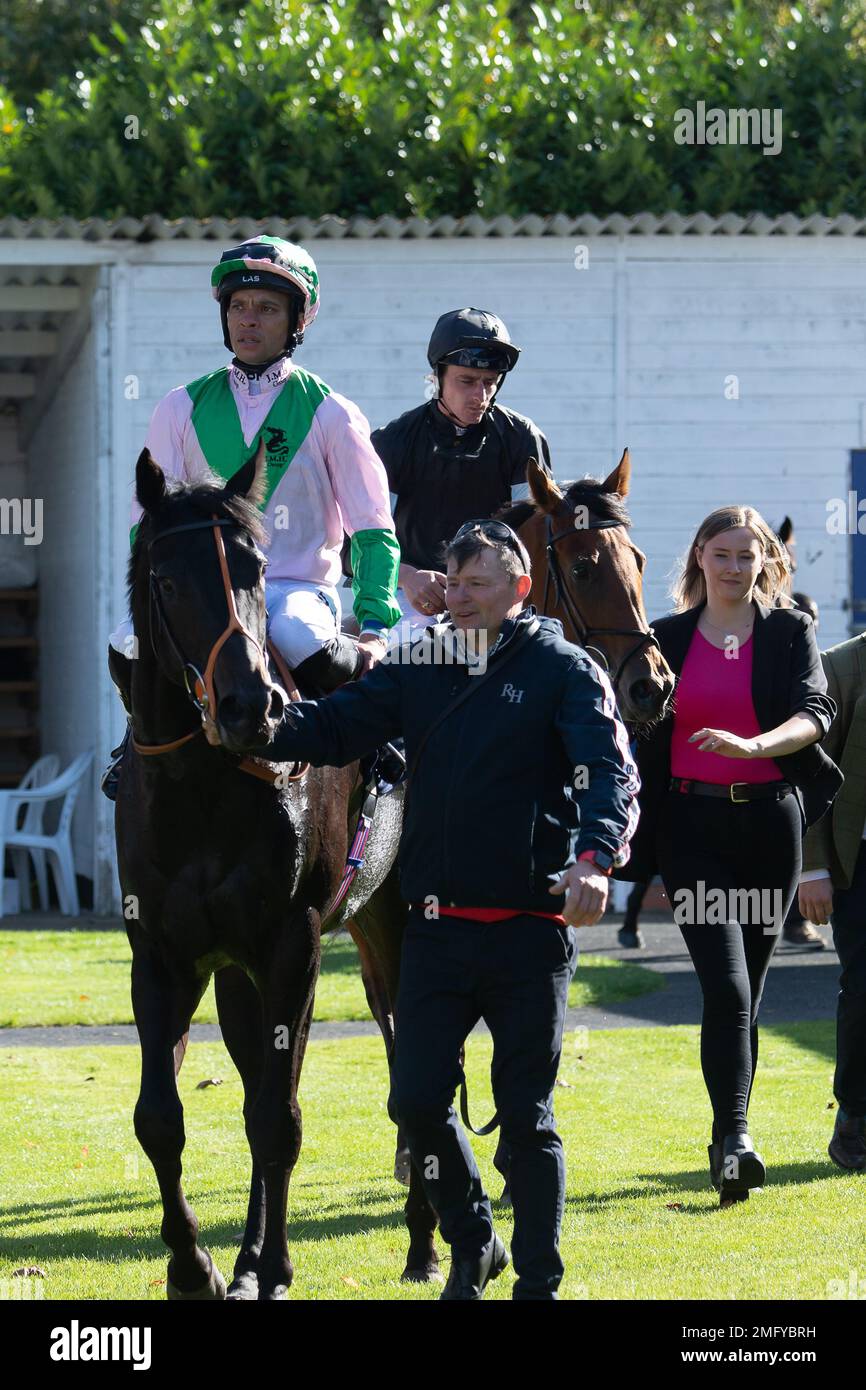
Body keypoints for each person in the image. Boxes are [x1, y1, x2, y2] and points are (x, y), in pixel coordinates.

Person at [230, 518, 640, 1299]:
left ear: (518, 589)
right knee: (415, 1101)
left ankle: (539, 1283)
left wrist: (594, 860)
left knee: (526, 1118)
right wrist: (266, 727)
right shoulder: (422, 665)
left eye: (477, 584)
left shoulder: (561, 668)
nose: (459, 598)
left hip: (530, 930)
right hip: (437, 931)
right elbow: (340, 723)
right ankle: (474, 1238)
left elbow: (605, 773)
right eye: (451, 584)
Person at [102, 237, 401, 796]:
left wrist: (378, 623)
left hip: (295, 586)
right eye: (239, 306)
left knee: (291, 630)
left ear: (297, 320)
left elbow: (374, 528)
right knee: (127, 641)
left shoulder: (332, 412)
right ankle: (136, 744)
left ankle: (371, 744)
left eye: (266, 308)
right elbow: (147, 525)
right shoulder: (179, 406)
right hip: (213, 590)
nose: (249, 320)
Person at [615, 506, 842, 1206]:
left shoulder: (788, 633)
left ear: (766, 561)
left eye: (748, 555)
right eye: (722, 554)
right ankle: (740, 1136)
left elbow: (816, 712)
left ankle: (723, 1140)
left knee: (748, 995)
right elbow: (629, 709)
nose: (735, 567)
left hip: (770, 824)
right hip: (691, 827)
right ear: (699, 558)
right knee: (729, 987)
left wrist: (756, 746)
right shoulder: (668, 638)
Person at [365, 307, 552, 636]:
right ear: (437, 376)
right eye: (466, 381)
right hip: (415, 600)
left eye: (489, 383)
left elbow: (535, 540)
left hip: (497, 598)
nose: (480, 396)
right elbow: (355, 544)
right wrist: (407, 576)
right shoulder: (392, 442)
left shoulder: (523, 438)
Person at [799, 628, 866, 1170]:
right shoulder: (841, 666)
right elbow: (810, 775)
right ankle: (854, 1120)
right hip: (859, 863)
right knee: (864, 987)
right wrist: (813, 867)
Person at [782, 592, 827, 948]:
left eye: (813, 616)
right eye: (803, 615)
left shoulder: (818, 661)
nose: (810, 621)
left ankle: (794, 923)